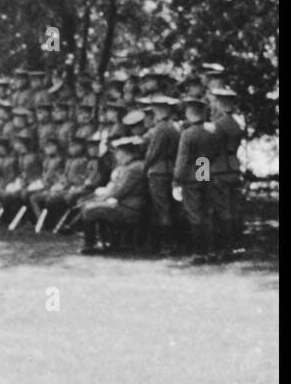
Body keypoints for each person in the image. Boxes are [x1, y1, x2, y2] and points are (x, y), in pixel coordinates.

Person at [79, 137, 149, 255]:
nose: (116, 156)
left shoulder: (134, 168)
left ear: (127, 153)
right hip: (126, 204)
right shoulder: (130, 167)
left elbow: (120, 191)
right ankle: (109, 242)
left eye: (118, 152)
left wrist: (102, 198)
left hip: (130, 208)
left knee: (90, 210)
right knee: (90, 206)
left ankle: (90, 245)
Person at [173, 98, 219, 263]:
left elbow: (182, 160)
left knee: (194, 213)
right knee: (207, 212)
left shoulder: (188, 133)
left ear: (189, 113)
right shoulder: (210, 132)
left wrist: (176, 179)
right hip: (204, 168)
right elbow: (212, 155)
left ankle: (199, 253)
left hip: (191, 174)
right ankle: (211, 251)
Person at [208, 86, 245, 258]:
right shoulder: (237, 123)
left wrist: (201, 175)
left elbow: (207, 152)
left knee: (222, 210)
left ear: (220, 103)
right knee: (234, 208)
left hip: (218, 169)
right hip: (234, 167)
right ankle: (237, 244)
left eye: (215, 101)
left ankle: (226, 246)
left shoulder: (217, 125)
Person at [143, 99, 181, 255]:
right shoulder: (175, 126)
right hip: (171, 169)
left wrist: (145, 166)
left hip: (158, 171)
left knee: (161, 209)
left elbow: (153, 152)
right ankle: (172, 243)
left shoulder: (160, 129)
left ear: (159, 112)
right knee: (171, 208)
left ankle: (165, 245)